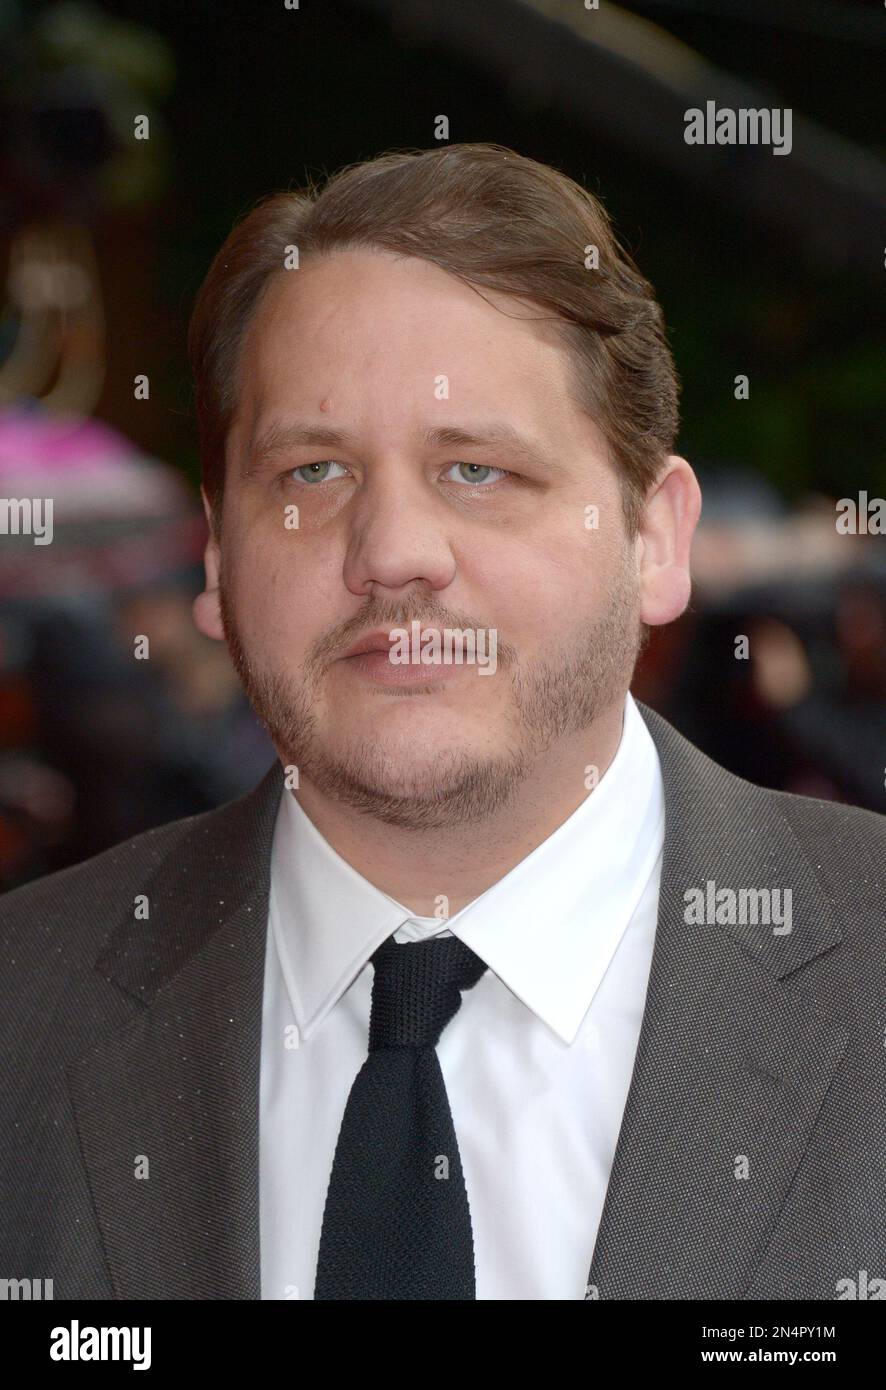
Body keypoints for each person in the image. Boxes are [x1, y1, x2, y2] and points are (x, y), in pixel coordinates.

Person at [1, 143, 883, 1301]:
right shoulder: (26, 1013)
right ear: (217, 552)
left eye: (475, 470)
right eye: (313, 473)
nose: (393, 555)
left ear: (655, 539)